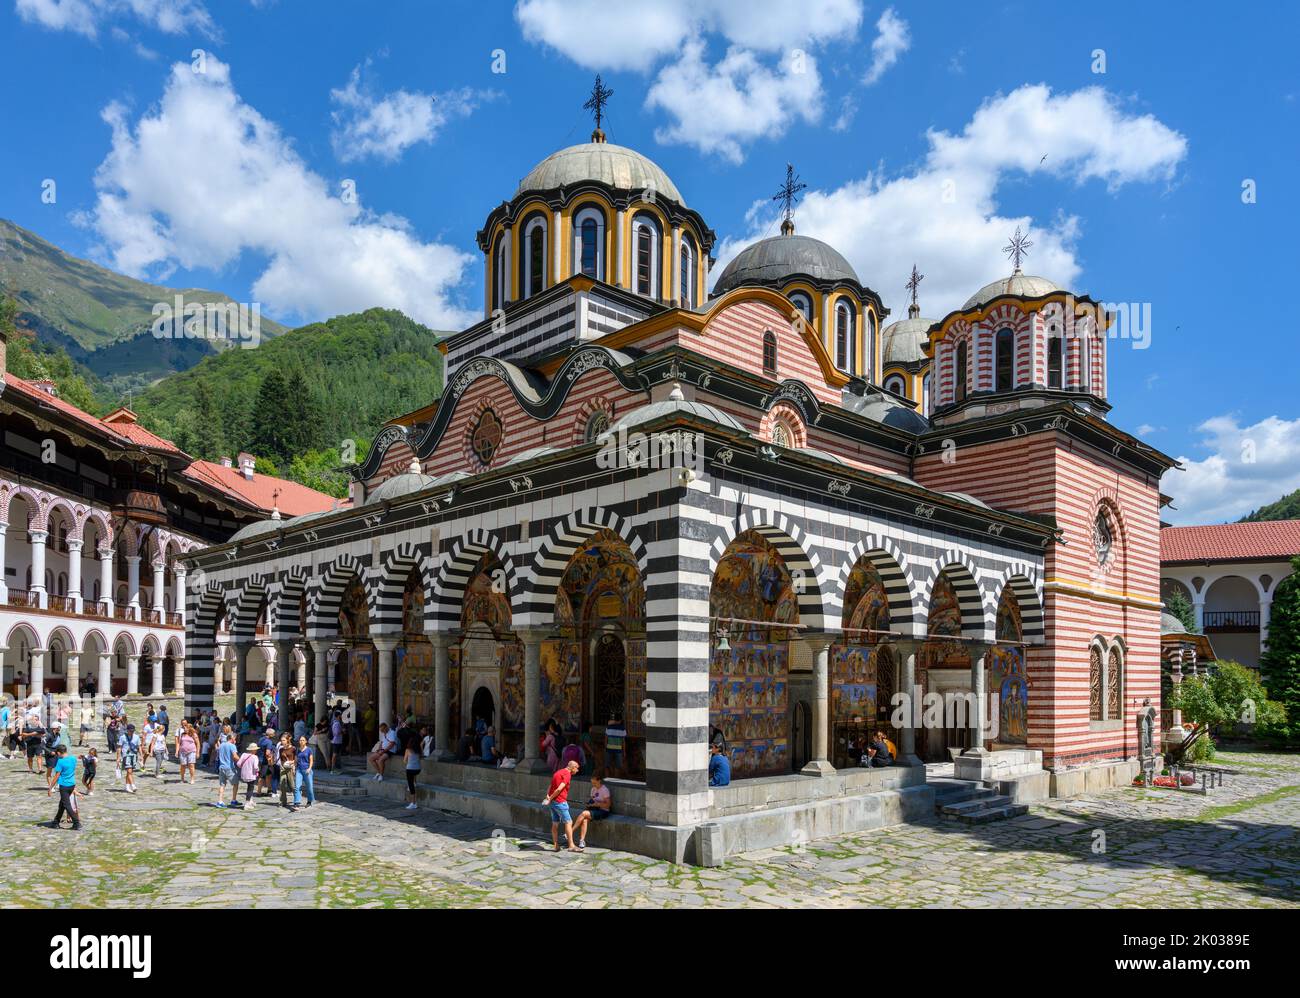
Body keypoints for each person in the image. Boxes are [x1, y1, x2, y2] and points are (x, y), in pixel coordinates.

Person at [542, 759, 581, 853]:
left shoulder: (558, 772)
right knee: (569, 822)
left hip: (553, 803)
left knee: (555, 823)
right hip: (560, 802)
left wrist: (548, 796)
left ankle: (556, 845)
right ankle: (571, 845)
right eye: (577, 768)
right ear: (573, 767)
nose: (578, 770)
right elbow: (559, 789)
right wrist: (550, 798)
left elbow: (551, 785)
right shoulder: (567, 774)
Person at [571, 772, 612, 851]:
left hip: (603, 811)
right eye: (592, 782)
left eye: (594, 783)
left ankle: (570, 831)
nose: (593, 784)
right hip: (594, 809)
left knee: (583, 813)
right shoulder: (593, 789)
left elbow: (608, 805)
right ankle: (582, 841)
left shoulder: (605, 790)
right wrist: (589, 804)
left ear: (599, 781)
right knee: (585, 819)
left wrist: (596, 805)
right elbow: (592, 800)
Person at [47, 745, 81, 830]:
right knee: (62, 804)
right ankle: (56, 822)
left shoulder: (60, 762)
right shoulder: (73, 758)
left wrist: (50, 787)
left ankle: (76, 823)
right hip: (72, 784)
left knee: (66, 804)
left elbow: (57, 776)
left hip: (64, 785)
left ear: (58, 753)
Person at [215, 732, 240, 808]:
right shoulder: (232, 746)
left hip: (221, 767)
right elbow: (235, 756)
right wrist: (242, 761)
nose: (235, 740)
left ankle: (220, 801)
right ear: (232, 738)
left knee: (222, 784)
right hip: (229, 767)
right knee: (235, 784)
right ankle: (233, 800)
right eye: (235, 739)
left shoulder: (222, 745)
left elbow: (217, 749)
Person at [236, 742, 261, 809]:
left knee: (249, 787)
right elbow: (256, 767)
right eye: (255, 749)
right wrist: (258, 770)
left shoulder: (244, 754)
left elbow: (238, 764)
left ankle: (251, 801)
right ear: (253, 750)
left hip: (244, 775)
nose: (256, 751)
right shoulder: (255, 757)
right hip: (251, 775)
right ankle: (247, 804)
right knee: (250, 788)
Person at [118, 723, 141, 793]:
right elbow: (119, 748)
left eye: (133, 731)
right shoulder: (122, 737)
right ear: (127, 730)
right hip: (126, 756)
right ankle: (133, 785)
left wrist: (141, 756)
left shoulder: (136, 737)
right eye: (130, 731)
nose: (132, 732)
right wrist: (118, 757)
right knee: (129, 771)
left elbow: (139, 747)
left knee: (130, 772)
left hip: (134, 755)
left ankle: (127, 787)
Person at [278, 735, 298, 810]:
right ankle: (283, 801)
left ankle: (297, 800)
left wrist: (291, 762)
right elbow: (281, 759)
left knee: (292, 785)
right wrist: (282, 765)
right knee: (282, 784)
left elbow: (296, 759)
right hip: (283, 768)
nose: (282, 742)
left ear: (287, 740)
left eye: (283, 740)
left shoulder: (293, 748)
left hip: (290, 768)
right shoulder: (281, 749)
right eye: (281, 740)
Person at [295, 735, 315, 808]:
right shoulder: (298, 750)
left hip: (307, 770)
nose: (301, 741)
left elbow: (311, 760)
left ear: (306, 741)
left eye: (303, 740)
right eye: (300, 740)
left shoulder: (309, 750)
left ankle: (309, 801)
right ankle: (297, 802)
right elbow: (296, 760)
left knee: (309, 787)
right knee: (297, 786)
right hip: (299, 770)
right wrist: (294, 767)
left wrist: (309, 768)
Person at [257, 727, 278, 796]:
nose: (274, 735)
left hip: (260, 759)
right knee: (262, 776)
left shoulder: (261, 739)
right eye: (274, 734)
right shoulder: (269, 742)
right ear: (270, 734)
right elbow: (267, 753)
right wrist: (271, 760)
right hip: (265, 761)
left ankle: (269, 789)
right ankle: (259, 792)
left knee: (268, 774)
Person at [403, 737, 422, 810]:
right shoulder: (419, 750)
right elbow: (420, 757)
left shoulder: (408, 750)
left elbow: (404, 760)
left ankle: (413, 803)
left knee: (411, 787)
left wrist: (409, 761)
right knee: (413, 775)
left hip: (410, 769)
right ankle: (415, 782)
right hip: (418, 769)